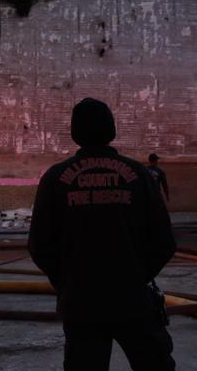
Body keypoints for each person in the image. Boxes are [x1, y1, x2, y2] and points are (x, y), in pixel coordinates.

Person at [28, 98, 177, 371]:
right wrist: (136, 275)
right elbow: (164, 242)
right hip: (132, 299)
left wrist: (68, 281)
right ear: (112, 129)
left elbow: (40, 246)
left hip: (80, 303)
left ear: (75, 132)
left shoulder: (55, 178)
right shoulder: (139, 175)